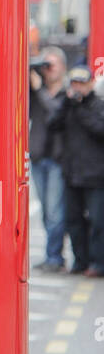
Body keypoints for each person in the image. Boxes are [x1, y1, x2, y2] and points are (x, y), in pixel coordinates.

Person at [47, 66, 104, 277]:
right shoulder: (68, 106)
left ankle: (98, 263)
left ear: (90, 84)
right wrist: (66, 105)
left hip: (96, 176)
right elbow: (52, 124)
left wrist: (80, 108)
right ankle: (80, 261)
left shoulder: (98, 106)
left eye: (81, 83)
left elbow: (100, 130)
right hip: (72, 174)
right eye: (74, 83)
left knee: (98, 222)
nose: (77, 88)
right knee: (74, 221)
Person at [29, 47, 68, 271]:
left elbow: (56, 114)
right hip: (38, 157)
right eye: (45, 65)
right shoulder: (36, 90)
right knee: (45, 210)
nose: (48, 70)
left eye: (51, 65)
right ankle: (51, 254)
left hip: (57, 159)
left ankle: (55, 257)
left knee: (55, 211)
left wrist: (38, 90)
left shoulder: (66, 93)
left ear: (62, 67)